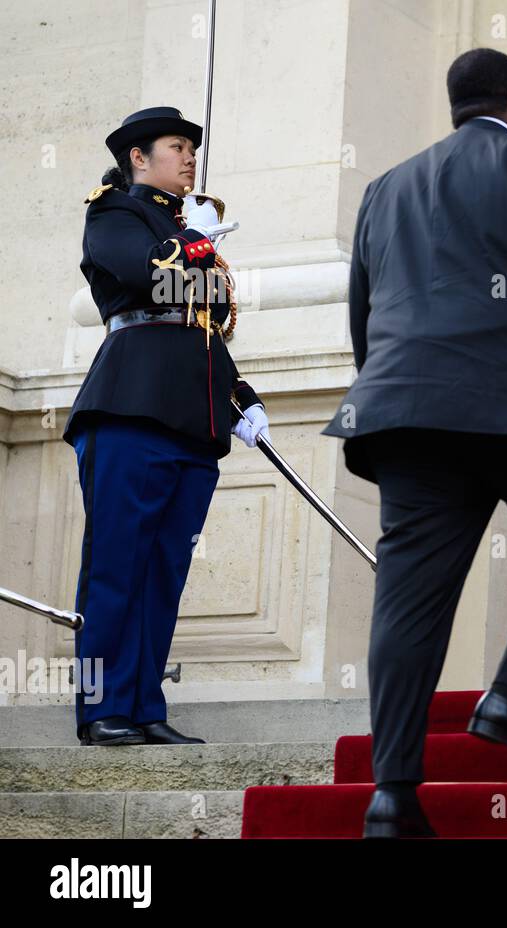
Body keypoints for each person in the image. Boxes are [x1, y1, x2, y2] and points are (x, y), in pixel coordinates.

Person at [323, 49, 507, 838]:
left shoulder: (384, 188)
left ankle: (392, 797)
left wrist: (398, 396)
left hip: (403, 412)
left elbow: (364, 314)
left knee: (407, 601)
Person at [65, 106, 269, 746]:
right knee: (116, 567)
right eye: (176, 147)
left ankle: (143, 706)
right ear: (138, 157)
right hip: (129, 409)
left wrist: (241, 399)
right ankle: (101, 708)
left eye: (191, 149)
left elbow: (203, 327)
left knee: (161, 576)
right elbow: (145, 276)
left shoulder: (187, 229)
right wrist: (197, 241)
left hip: (189, 422)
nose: (189, 159)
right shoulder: (115, 213)